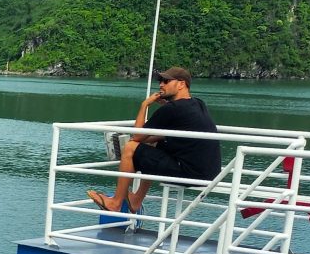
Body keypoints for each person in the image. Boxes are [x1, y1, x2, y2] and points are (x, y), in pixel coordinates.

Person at [88, 67, 221, 215]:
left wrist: (145, 105)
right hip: (210, 173)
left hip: (191, 174)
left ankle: (116, 202)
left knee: (130, 147)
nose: (161, 85)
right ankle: (136, 199)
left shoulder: (173, 109)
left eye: (166, 81)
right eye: (160, 81)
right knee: (155, 142)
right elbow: (174, 128)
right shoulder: (197, 103)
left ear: (181, 84)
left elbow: (137, 136)